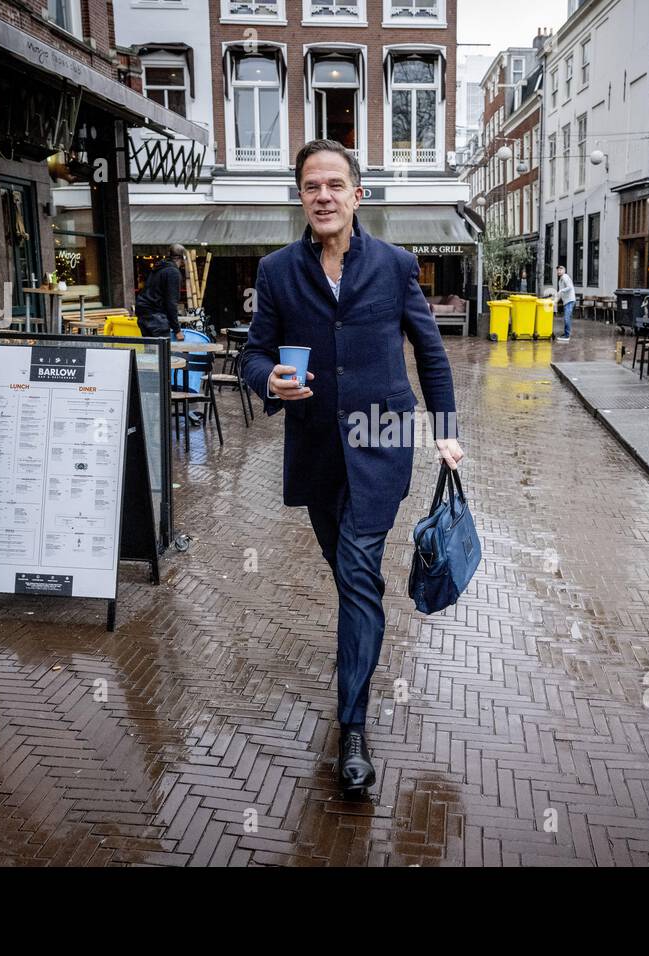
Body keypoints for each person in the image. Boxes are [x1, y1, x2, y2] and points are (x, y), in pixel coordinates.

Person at [240, 139, 465, 795]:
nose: (324, 196)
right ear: (301, 197)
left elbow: (431, 354)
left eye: (336, 184)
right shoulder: (277, 271)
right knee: (349, 578)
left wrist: (445, 431)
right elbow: (254, 356)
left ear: (357, 195)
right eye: (312, 185)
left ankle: (354, 729)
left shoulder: (394, 266)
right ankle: (360, 648)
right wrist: (268, 380)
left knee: (359, 567)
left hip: (381, 441)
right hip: (314, 449)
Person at [134, 244, 186, 341]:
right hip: (156, 317)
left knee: (150, 351)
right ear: (182, 258)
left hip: (143, 314)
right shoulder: (173, 272)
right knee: (162, 352)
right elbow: (171, 303)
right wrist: (177, 330)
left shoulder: (159, 268)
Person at [555, 264, 575, 342]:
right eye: (557, 270)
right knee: (566, 318)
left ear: (564, 270)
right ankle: (566, 334)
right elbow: (561, 293)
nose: (558, 271)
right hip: (566, 301)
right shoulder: (560, 280)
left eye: (560, 270)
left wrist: (561, 291)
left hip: (570, 300)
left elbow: (570, 287)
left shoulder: (565, 277)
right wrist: (555, 301)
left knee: (567, 318)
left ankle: (567, 336)